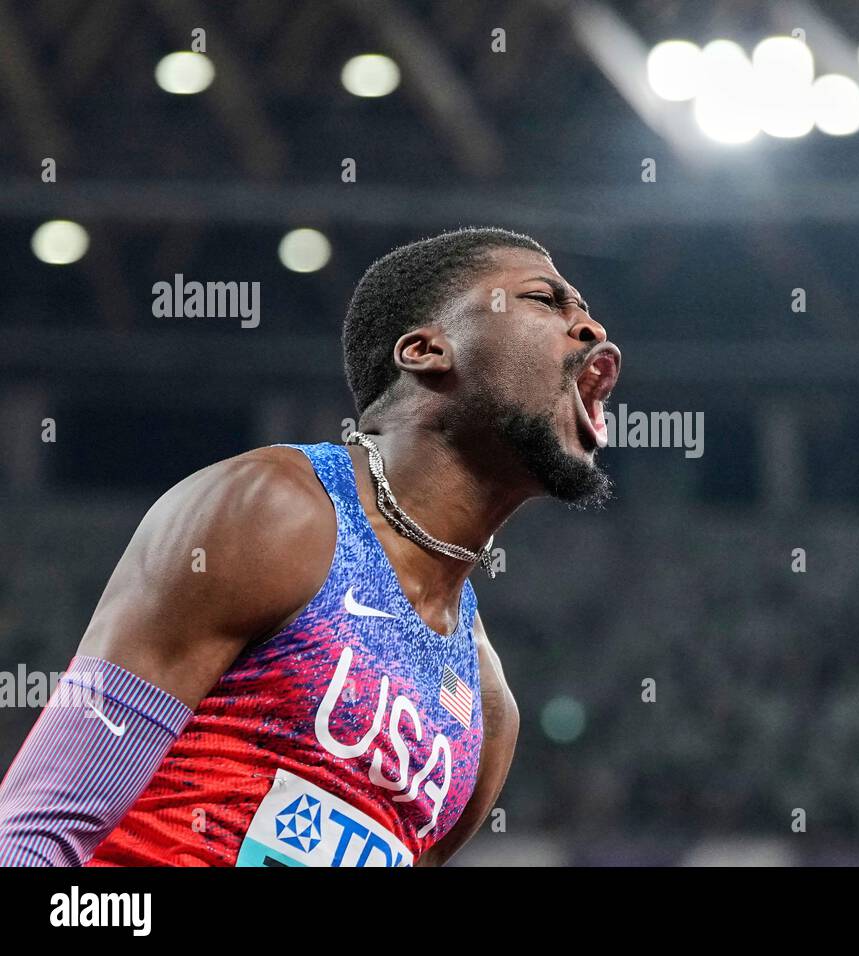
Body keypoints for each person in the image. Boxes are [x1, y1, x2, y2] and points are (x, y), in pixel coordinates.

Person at [0, 226, 621, 866]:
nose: (590, 331)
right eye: (546, 300)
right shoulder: (274, 512)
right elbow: (42, 827)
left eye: (589, 317)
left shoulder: (487, 712)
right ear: (427, 349)